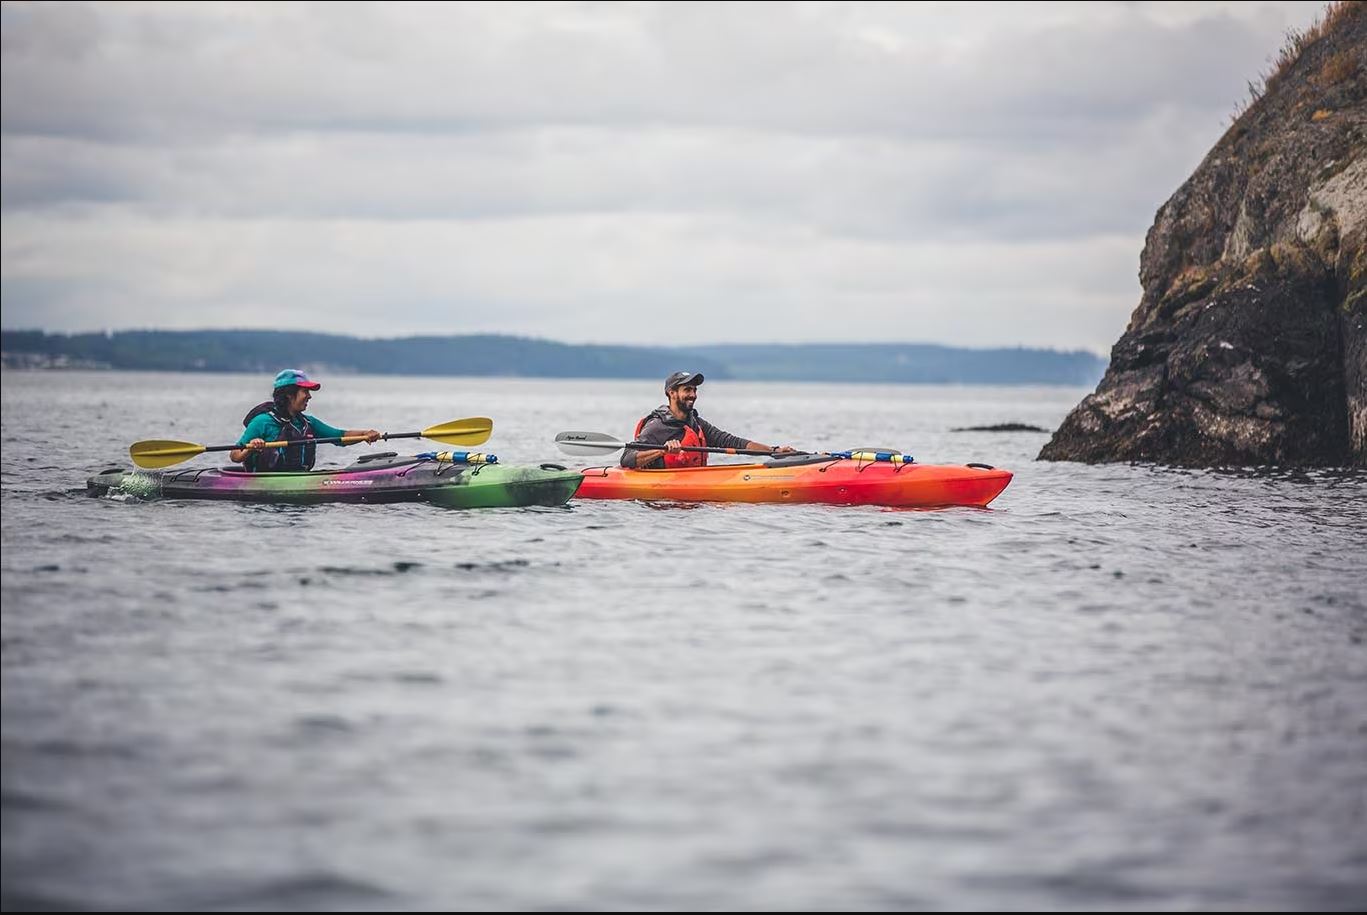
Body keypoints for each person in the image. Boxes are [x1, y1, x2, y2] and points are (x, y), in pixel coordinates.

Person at [623, 371, 796, 469]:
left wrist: (774, 450)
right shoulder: (657, 426)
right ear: (672, 393)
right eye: (687, 390)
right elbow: (627, 459)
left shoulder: (695, 423)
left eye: (695, 390)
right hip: (663, 498)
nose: (693, 395)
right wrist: (662, 451)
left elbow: (731, 441)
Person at [229, 369, 380, 472]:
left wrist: (366, 434)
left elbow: (340, 436)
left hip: (299, 478)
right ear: (288, 394)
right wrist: (250, 447)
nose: (309, 396)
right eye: (305, 391)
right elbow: (235, 455)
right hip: (265, 484)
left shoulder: (308, 423)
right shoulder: (262, 422)